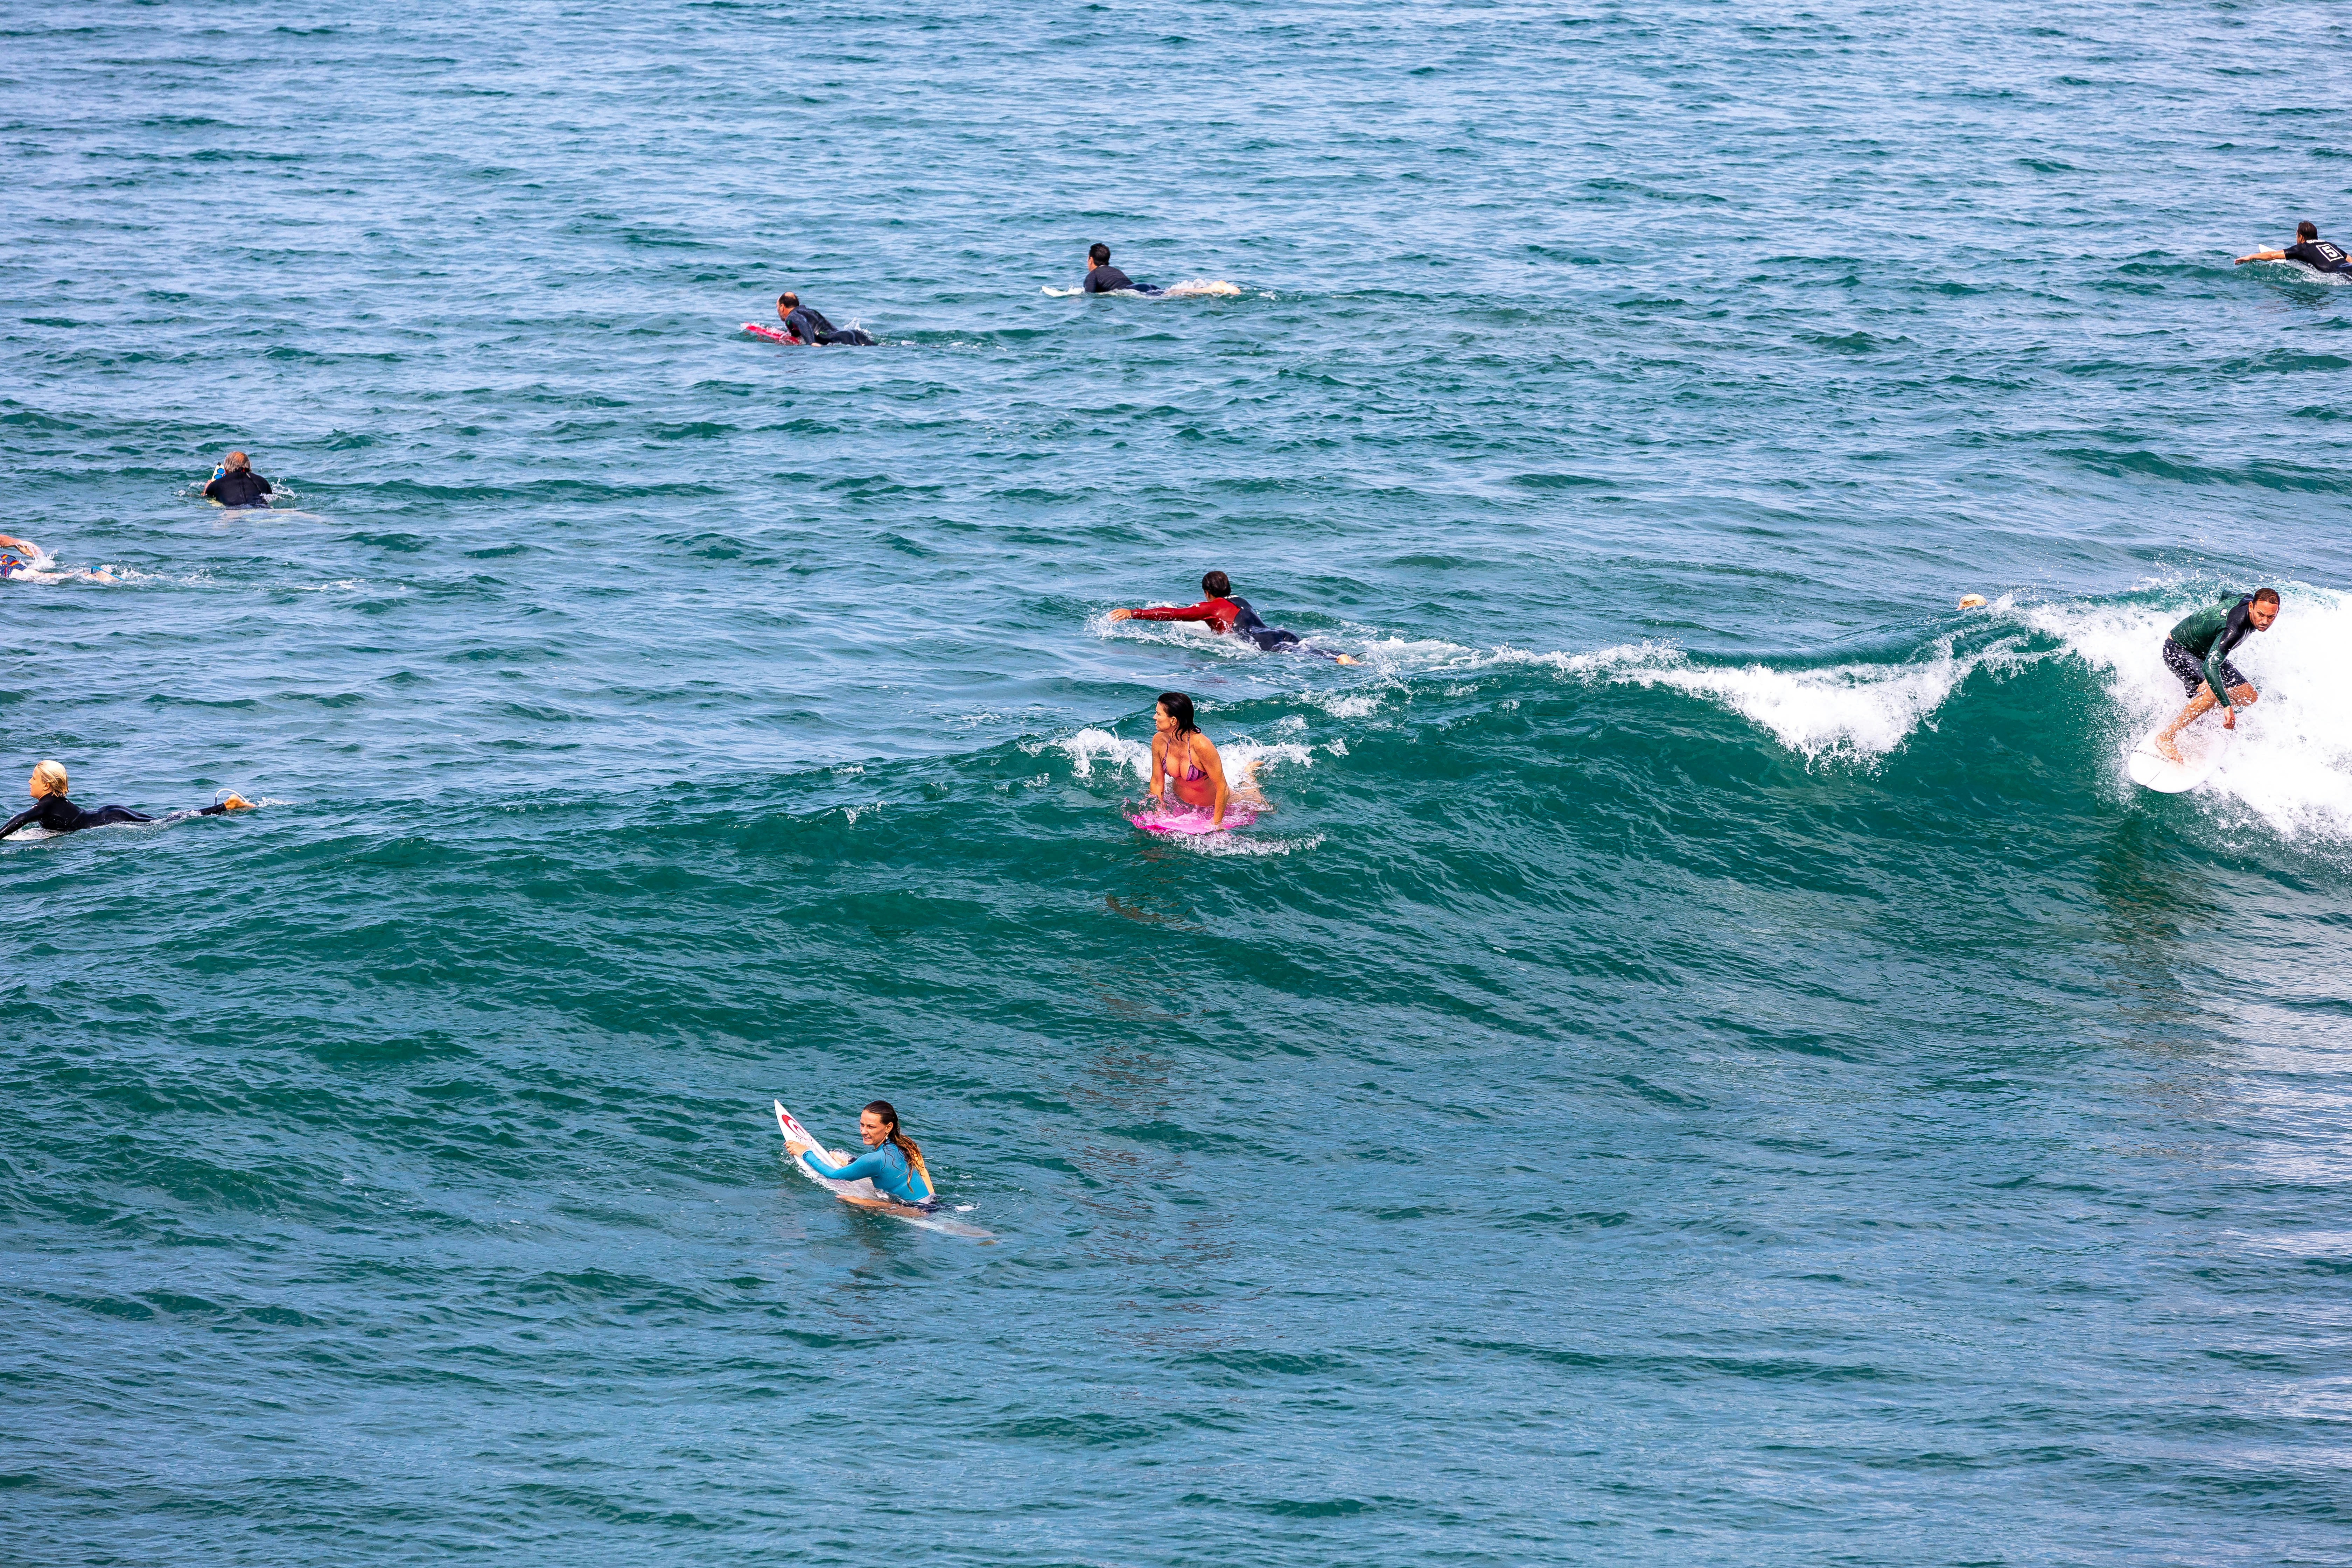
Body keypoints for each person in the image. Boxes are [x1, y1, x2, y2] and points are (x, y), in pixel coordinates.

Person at [1108, 570, 1362, 663]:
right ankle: (1341, 656)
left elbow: (1176, 614)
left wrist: (1134, 613)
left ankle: (1338, 660)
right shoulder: (1240, 601)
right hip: (1279, 632)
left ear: (1208, 593)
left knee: (1300, 656)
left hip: (1262, 643)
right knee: (1307, 650)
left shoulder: (1211, 607)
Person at [2154, 588, 2279, 763]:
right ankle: (2166, 737)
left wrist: (2214, 620)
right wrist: (2227, 706)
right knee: (2213, 693)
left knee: (2249, 697)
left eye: (2271, 617)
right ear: (2251, 606)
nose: (2265, 621)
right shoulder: (2233, 631)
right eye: (2261, 615)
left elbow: (2227, 594)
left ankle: (2199, 708)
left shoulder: (2246, 599)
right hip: (2180, 649)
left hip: (2208, 651)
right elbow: (2210, 666)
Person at [1, 760, 255, 840]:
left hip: (109, 819)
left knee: (166, 823)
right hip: (110, 812)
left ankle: (226, 805)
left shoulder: (45, 806)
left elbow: (20, 820)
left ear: (46, 784)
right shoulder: (55, 803)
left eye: (33, 778)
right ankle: (225, 806)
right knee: (165, 820)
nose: (29, 782)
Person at [784, 1100, 938, 1212]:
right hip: (933, 1202)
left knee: (846, 1199)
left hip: (915, 1212)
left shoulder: (875, 1159)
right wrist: (852, 1162)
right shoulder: (905, 1144)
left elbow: (833, 1176)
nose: (863, 1131)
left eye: (871, 1127)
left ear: (888, 1127)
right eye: (862, 1124)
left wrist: (804, 1152)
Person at [1145, 691, 1265, 831]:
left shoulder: (1201, 746)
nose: (1154, 717)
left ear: (1173, 721)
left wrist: (1217, 823)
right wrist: (1160, 812)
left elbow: (1222, 788)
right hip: (1182, 805)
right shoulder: (1159, 741)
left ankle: (1249, 774)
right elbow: (1157, 782)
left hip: (1215, 807)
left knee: (1260, 807)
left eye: (1159, 714)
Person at [2235, 222, 2352, 275]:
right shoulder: (2329, 244)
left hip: (2342, 274)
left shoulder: (2302, 248)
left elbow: (2272, 256)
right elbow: (2349, 259)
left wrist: (2250, 257)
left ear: (2301, 237)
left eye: (2297, 235)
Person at [775, 293, 875, 346]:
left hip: (839, 340)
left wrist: (811, 343)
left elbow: (802, 323)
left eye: (777, 307)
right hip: (851, 334)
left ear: (782, 307)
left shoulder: (791, 317)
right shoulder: (808, 311)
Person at [1082, 243, 1161, 296]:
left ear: (1091, 260)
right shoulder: (1115, 270)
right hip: (1144, 286)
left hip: (1132, 291)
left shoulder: (1093, 275)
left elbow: (1089, 295)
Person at [203, 452, 273, 508]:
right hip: (263, 508)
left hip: (235, 510)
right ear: (249, 469)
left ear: (225, 471)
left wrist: (207, 488)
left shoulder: (216, 484)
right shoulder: (263, 481)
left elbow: (204, 498)